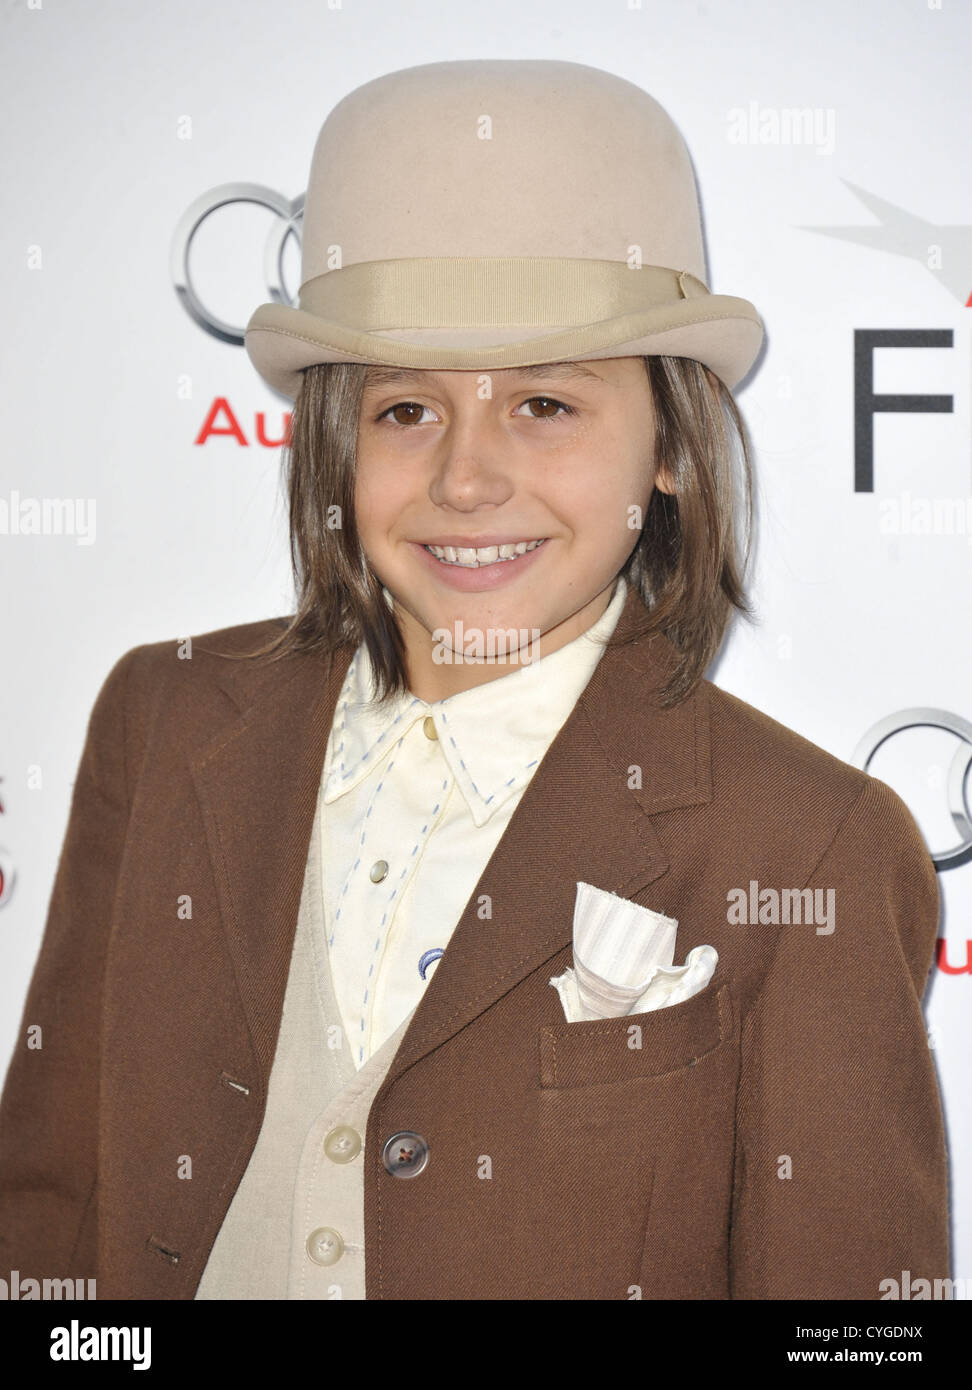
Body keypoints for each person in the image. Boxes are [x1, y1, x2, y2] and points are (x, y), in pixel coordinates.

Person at [0, 59, 949, 1300]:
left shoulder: (814, 846)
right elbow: (50, 1219)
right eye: (405, 410)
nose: (464, 479)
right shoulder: (164, 717)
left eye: (545, 403)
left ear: (669, 444)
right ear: (337, 443)